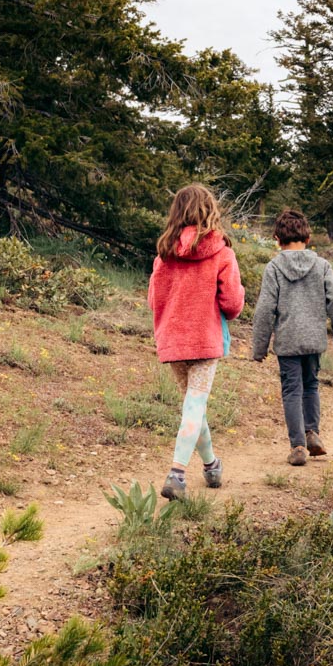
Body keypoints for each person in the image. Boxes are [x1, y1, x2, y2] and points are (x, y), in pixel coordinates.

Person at [148, 184, 245, 500]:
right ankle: (176, 473)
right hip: (204, 340)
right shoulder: (222, 252)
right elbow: (231, 303)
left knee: (194, 406)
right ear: (209, 211)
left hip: (173, 341)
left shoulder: (164, 254)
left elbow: (154, 300)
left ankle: (212, 465)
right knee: (194, 405)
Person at [252, 208, 333, 465]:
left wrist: (259, 347)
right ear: (307, 238)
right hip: (313, 339)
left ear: (277, 239)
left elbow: (264, 310)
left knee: (292, 390)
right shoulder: (322, 265)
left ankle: (297, 446)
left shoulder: (273, 268)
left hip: (288, 341)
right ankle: (312, 433)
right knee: (311, 385)